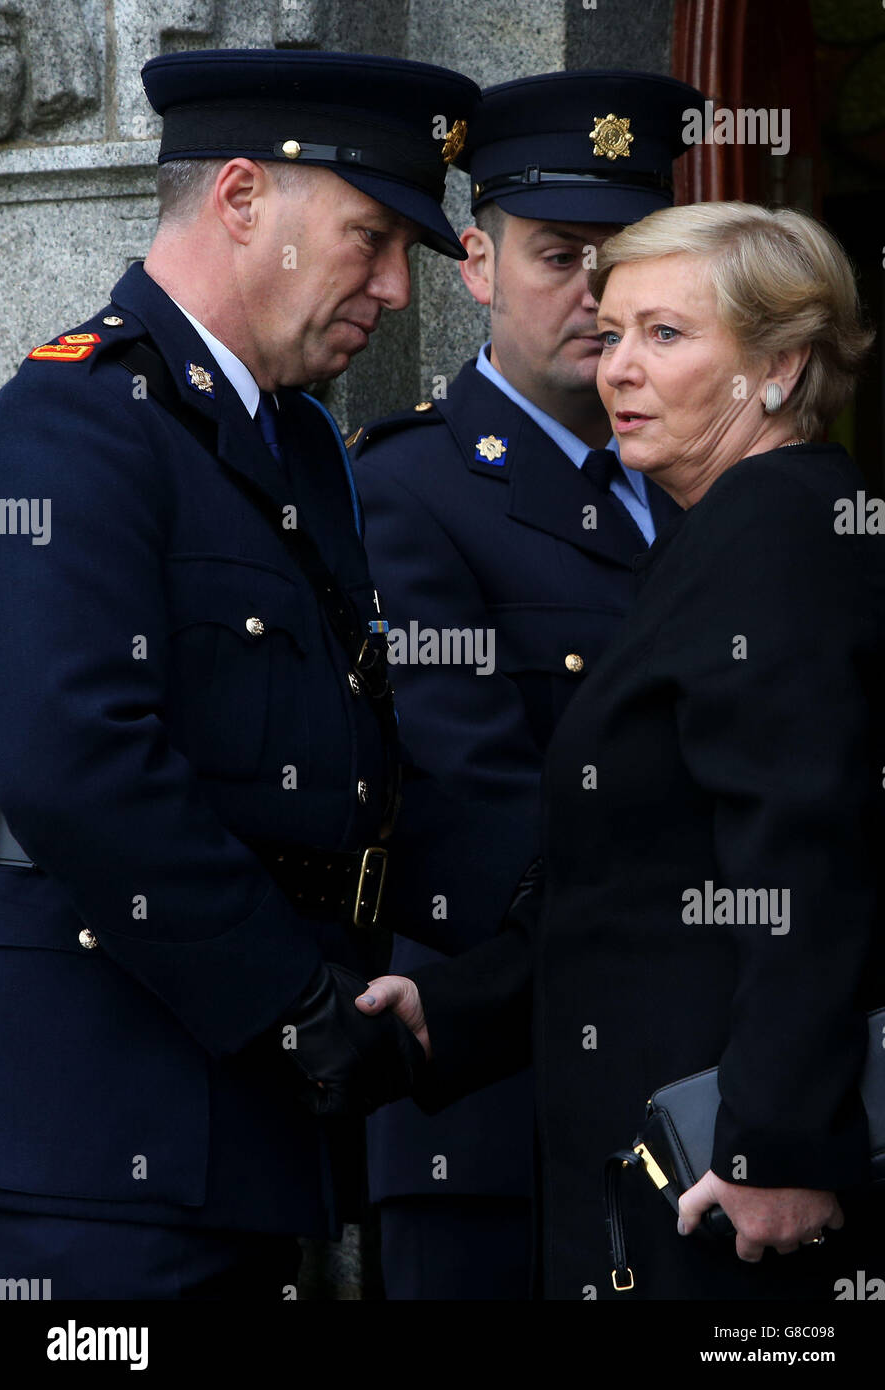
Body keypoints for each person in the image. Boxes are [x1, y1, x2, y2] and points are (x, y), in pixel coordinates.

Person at [0, 47, 478, 1300]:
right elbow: (70, 763)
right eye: (370, 238)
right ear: (244, 197)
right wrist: (292, 1001)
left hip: (254, 1138)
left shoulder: (300, 447)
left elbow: (346, 779)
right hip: (108, 1154)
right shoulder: (77, 421)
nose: (392, 289)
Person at [357, 201, 885, 1300]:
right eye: (614, 332)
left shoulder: (779, 526)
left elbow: (803, 850)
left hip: (724, 1196)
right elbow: (634, 871)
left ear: (780, 369)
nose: (618, 371)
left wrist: (778, 1143)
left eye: (667, 336)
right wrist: (457, 1006)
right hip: (659, 1157)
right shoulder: (723, 527)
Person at [350, 66, 701, 1302]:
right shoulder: (406, 489)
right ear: (476, 264)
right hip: (495, 1118)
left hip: (703, 1111)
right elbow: (480, 792)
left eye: (633, 260)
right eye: (561, 255)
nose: (602, 300)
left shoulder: (709, 487)